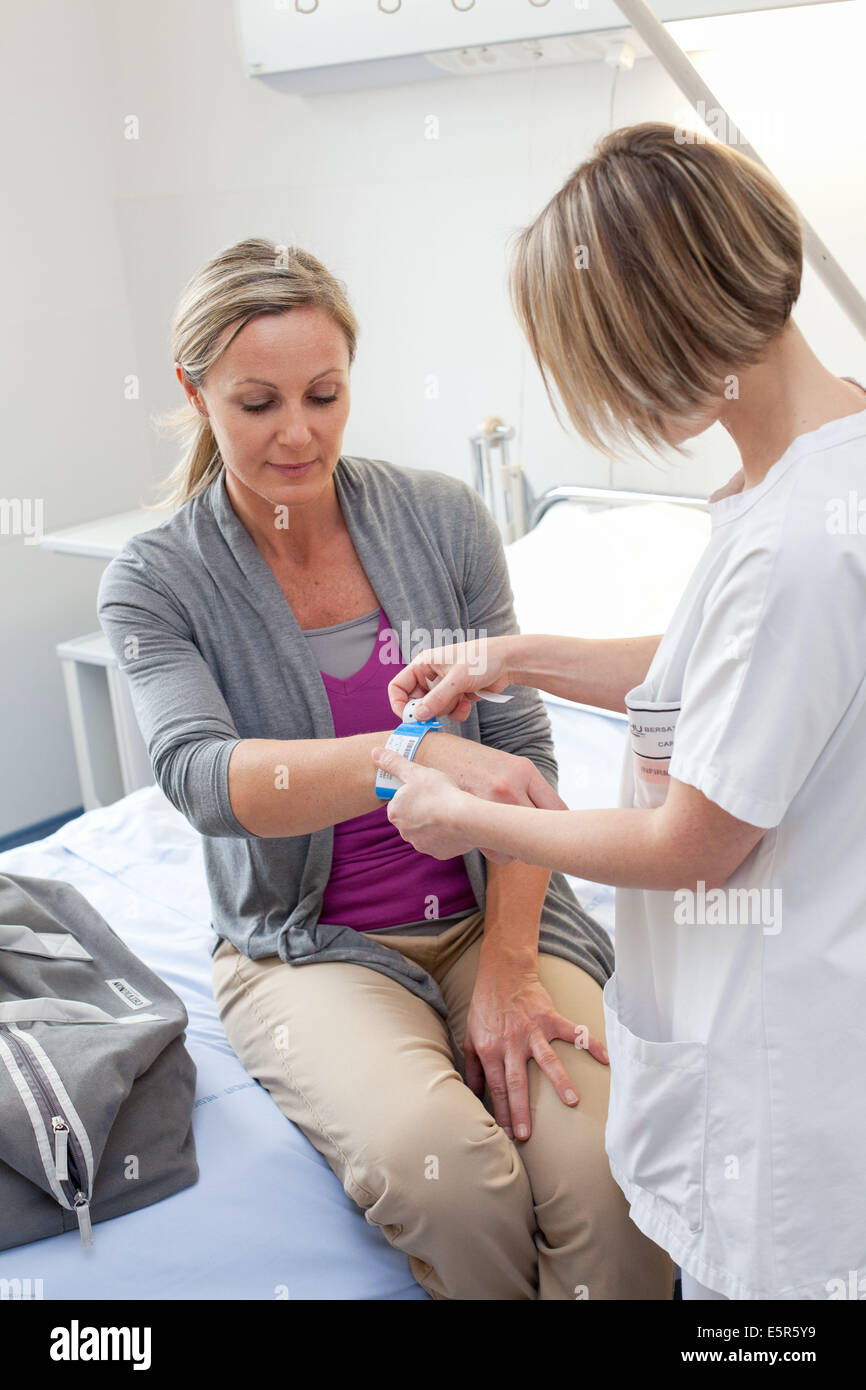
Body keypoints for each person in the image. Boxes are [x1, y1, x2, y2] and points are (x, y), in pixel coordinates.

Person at [96, 236, 674, 1300]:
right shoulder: (156, 578)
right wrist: (407, 753)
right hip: (312, 950)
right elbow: (198, 777)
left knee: (606, 1178)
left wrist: (504, 966)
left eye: (323, 393)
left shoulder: (439, 518)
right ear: (193, 391)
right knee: (450, 1179)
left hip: (497, 908)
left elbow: (523, 758)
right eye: (257, 402)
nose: (298, 432)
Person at [374, 121, 866, 1301]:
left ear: (662, 329)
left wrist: (468, 818)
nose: (606, 400)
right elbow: (726, 666)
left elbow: (686, 841)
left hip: (780, 1057)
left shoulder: (798, 542)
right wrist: (513, 657)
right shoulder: (812, 464)